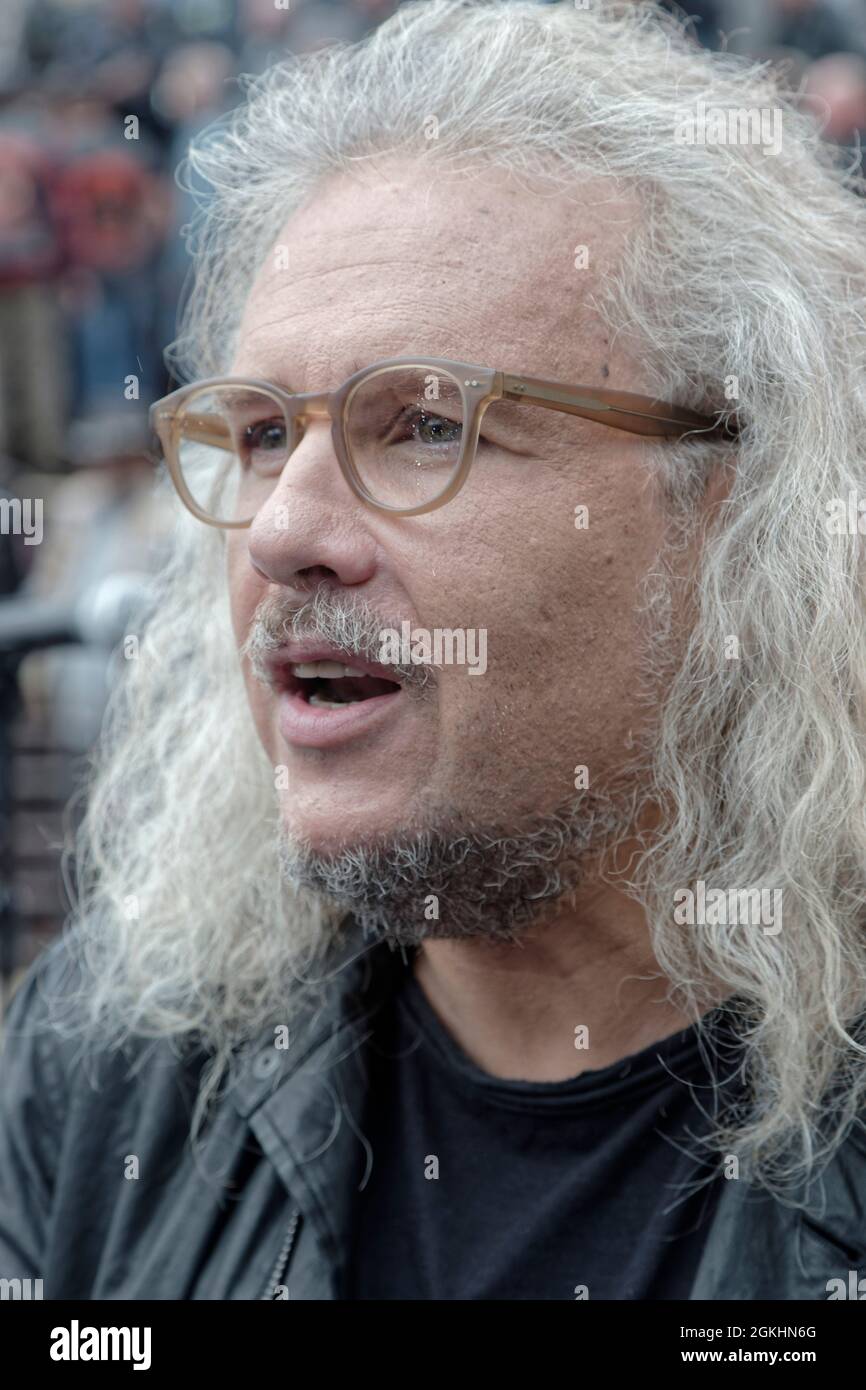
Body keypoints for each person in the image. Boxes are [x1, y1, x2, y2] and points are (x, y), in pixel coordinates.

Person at [2, 0, 866, 1301]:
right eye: (257, 434)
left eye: (421, 427)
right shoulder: (108, 1057)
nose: (284, 528)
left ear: (730, 511)